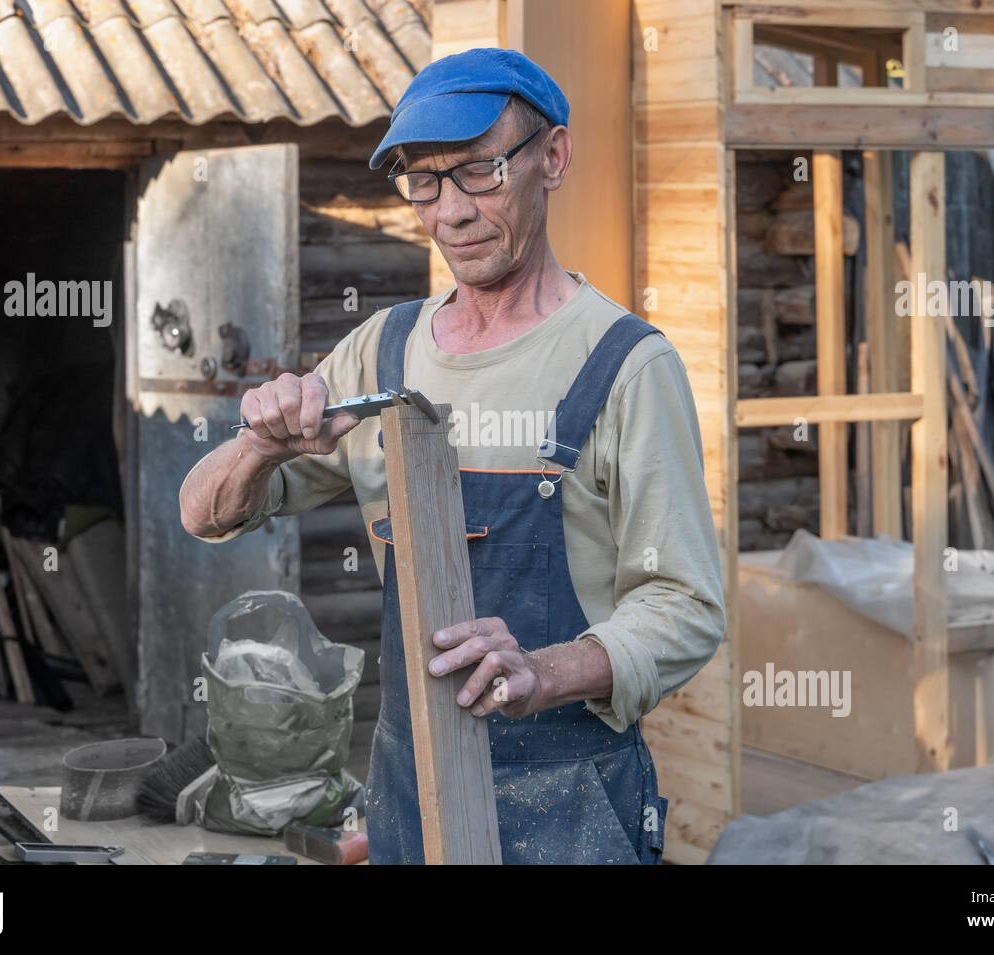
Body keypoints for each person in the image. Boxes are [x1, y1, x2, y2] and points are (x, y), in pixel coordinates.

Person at [179, 47, 725, 864]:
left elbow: (687, 605)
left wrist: (541, 672)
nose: (450, 212)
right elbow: (203, 512)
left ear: (554, 158)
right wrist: (259, 444)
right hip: (410, 788)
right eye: (423, 181)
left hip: (571, 799)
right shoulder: (383, 354)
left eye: (479, 171)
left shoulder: (623, 365)